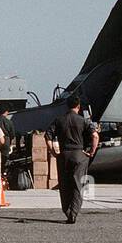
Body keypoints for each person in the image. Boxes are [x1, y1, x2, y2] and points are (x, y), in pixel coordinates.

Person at [47, 95, 99, 224]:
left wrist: (53, 151)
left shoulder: (58, 120)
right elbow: (95, 136)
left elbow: (47, 136)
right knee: (78, 185)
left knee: (64, 185)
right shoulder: (84, 121)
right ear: (78, 106)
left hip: (64, 155)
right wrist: (91, 151)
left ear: (67, 106)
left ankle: (67, 211)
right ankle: (74, 212)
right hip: (79, 155)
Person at [0, 103, 16, 183]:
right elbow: (12, 134)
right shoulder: (8, 122)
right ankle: (2, 176)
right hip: (6, 142)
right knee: (4, 161)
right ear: (6, 112)